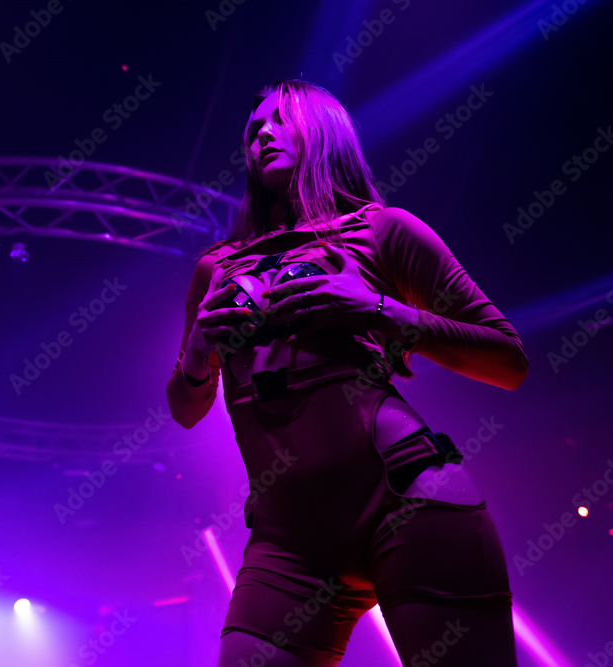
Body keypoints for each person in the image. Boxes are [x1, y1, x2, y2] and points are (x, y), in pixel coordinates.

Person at [165, 79, 528, 666]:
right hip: (287, 538)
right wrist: (198, 351)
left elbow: (509, 360)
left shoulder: (385, 230)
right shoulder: (216, 266)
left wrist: (376, 310)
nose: (261, 135)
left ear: (325, 133)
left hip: (408, 498)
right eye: (252, 129)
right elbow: (185, 411)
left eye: (280, 120)